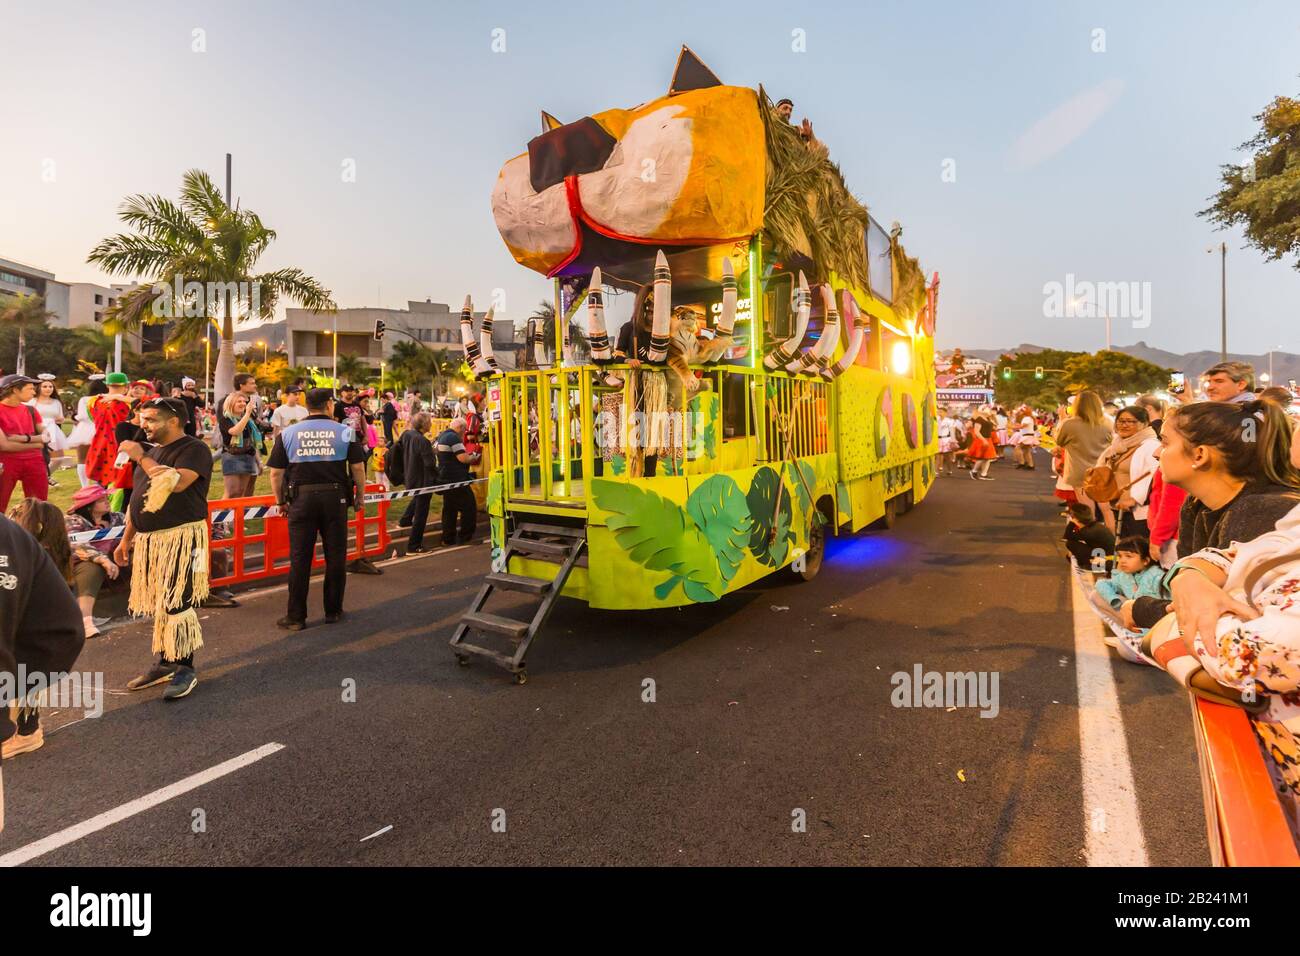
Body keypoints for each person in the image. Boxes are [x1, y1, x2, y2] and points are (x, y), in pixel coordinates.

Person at [1124, 399, 1300, 633]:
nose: (1157, 453)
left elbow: (1234, 617)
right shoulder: (1195, 505)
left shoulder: (1261, 510)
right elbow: (1193, 592)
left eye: (1164, 442)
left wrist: (1142, 610)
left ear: (1199, 455)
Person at [114, 398, 214, 700]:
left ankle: (185, 668)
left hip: (184, 539)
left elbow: (177, 483)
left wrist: (141, 456)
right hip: (150, 540)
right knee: (161, 603)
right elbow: (140, 500)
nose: (143, 425)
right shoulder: (151, 453)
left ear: (174, 421)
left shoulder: (194, 449)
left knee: (177, 602)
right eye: (142, 419)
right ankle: (165, 662)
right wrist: (126, 538)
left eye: (151, 419)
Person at [266, 388, 367, 630]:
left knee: (300, 558)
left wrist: (280, 501)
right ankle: (333, 611)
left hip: (301, 499)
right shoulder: (345, 432)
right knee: (335, 555)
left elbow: (275, 473)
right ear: (329, 405)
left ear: (306, 405)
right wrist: (359, 497)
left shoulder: (289, 433)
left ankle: (295, 617)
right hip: (335, 499)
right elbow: (358, 469)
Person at [0, 513, 84, 766]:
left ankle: (26, 729)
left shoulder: (17, 544)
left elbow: (60, 630)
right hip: (32, 644)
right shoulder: (22, 541)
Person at [63, 484, 125, 637]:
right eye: (101, 500)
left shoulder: (118, 517)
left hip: (114, 561)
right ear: (88, 506)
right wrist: (102, 559)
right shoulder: (72, 521)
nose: (107, 501)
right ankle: (85, 620)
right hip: (79, 566)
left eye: (106, 498)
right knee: (91, 568)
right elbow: (77, 546)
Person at [1099, 404, 1159, 539]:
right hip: (1117, 506)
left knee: (1136, 550)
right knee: (1122, 550)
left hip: (1138, 511)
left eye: (1131, 421)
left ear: (1144, 424)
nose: (1124, 425)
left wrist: (1135, 499)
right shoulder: (1118, 445)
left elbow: (1155, 476)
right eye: (1121, 421)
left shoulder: (1150, 445)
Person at [1054, 391, 1112, 515]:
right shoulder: (1108, 423)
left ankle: (1089, 533)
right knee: (1107, 510)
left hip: (1079, 472)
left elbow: (1059, 441)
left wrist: (1062, 418)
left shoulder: (1070, 424)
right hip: (1101, 471)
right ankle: (1110, 534)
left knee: (1087, 511)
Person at [0, 374, 50, 510]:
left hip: (35, 461)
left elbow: (47, 436)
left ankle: (34, 531)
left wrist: (24, 438)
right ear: (15, 390)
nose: (34, 392)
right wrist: (37, 442)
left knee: (39, 506)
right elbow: (4, 445)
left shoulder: (31, 410)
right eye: (30, 389)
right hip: (6, 463)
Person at [398, 411, 440, 553]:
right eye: (429, 421)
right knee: (421, 513)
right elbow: (429, 464)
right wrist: (438, 475)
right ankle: (414, 546)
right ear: (424, 424)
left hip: (410, 476)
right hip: (423, 480)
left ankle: (405, 520)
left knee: (417, 499)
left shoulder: (407, 435)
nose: (431, 424)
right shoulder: (423, 441)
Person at [435, 418, 480, 546]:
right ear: (460, 427)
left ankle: (448, 539)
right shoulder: (453, 438)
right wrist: (475, 456)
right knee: (469, 507)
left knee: (449, 510)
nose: (464, 433)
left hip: (445, 478)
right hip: (457, 478)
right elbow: (463, 458)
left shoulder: (442, 435)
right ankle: (466, 537)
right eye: (465, 430)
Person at [85, 372, 133, 489]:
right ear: (126, 387)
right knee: (122, 482)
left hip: (100, 443)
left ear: (107, 385)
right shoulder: (129, 402)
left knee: (102, 481)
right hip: (121, 444)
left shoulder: (93, 401)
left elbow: (92, 419)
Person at [1095, 535, 1166, 610]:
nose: (1122, 561)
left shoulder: (1156, 576)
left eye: (1128, 556)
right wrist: (1114, 600)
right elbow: (1102, 583)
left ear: (1145, 561)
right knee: (1096, 595)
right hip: (1134, 613)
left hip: (1156, 616)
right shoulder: (1125, 575)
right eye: (1120, 556)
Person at [218, 391, 261, 498]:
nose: (243, 403)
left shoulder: (248, 421)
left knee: (241, 491)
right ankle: (223, 514)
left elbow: (251, 442)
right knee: (232, 492)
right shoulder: (225, 419)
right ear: (231, 403)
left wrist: (258, 461)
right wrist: (247, 414)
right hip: (232, 457)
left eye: (244, 401)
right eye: (239, 401)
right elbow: (235, 431)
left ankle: (237, 515)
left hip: (248, 456)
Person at [66, 375, 106, 486]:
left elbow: (82, 416)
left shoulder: (84, 400)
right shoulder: (106, 399)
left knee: (82, 459)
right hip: (101, 428)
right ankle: (100, 483)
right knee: (102, 458)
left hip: (84, 429)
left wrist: (75, 418)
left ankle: (84, 486)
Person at [1145, 466, 1187, 570]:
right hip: (1174, 535)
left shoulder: (1175, 465)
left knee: (1173, 578)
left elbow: (1172, 504)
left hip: (1174, 537)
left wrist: (1157, 538)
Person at [29, 375, 67, 484]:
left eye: (50, 386)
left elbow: (61, 419)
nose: (48, 389)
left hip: (53, 430)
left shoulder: (56, 402)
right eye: (45, 386)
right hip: (36, 429)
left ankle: (45, 476)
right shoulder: (32, 401)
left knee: (58, 458)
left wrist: (58, 419)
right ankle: (40, 478)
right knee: (40, 457)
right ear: (39, 388)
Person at [1063, 501, 1115, 571]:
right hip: (1107, 554)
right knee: (1075, 544)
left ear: (1076, 518)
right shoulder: (1093, 525)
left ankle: (1088, 564)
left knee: (1071, 544)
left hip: (1105, 558)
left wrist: (1072, 523)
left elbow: (1068, 536)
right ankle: (1089, 563)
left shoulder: (1088, 531)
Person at [1175, 361, 1255, 405]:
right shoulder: (1230, 409)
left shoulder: (1250, 414)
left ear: (1241, 385)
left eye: (1219, 381)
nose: (1210, 388)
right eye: (1209, 382)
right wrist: (1187, 400)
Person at [966, 408, 998, 480]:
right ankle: (974, 471)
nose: (990, 411)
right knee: (981, 457)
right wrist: (983, 440)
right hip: (981, 440)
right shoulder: (979, 419)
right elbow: (977, 431)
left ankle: (984, 474)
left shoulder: (988, 419)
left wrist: (994, 424)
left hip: (988, 439)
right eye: (989, 409)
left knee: (988, 458)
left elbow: (993, 427)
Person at [936, 406, 961, 476]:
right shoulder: (936, 419)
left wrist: (953, 440)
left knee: (947, 456)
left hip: (946, 439)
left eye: (941, 412)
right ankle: (936, 472)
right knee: (938, 455)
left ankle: (949, 469)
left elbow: (952, 431)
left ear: (945, 413)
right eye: (938, 411)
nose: (939, 413)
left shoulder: (949, 421)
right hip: (938, 439)